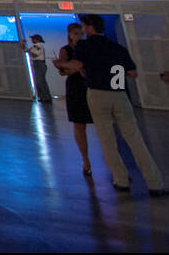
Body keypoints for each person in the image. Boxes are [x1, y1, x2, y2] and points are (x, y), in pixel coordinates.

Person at [57, 15, 163, 195]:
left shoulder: (84, 46)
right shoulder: (118, 48)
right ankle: (154, 184)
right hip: (119, 94)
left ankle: (121, 180)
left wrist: (61, 63)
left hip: (97, 94)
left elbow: (75, 65)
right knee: (135, 139)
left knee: (107, 141)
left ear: (90, 28)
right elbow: (132, 73)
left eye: (83, 27)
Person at [53, 22, 92, 175]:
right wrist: (75, 68)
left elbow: (64, 66)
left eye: (80, 33)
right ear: (70, 34)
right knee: (79, 124)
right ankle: (85, 159)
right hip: (76, 88)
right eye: (76, 33)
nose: (79, 36)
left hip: (89, 86)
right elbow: (63, 71)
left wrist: (71, 67)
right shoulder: (66, 50)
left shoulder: (88, 48)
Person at [23, 34, 52, 102]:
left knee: (40, 81)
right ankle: (42, 97)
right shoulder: (34, 46)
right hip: (37, 63)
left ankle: (45, 97)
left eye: (33, 39)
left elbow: (35, 54)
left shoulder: (39, 46)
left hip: (39, 64)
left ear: (37, 39)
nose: (32, 40)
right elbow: (26, 50)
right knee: (39, 81)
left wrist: (29, 51)